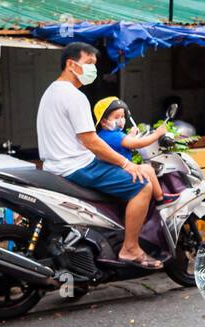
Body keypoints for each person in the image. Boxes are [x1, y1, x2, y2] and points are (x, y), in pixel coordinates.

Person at [36, 42, 163, 268]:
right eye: (89, 63)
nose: (93, 69)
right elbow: (91, 141)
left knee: (140, 171)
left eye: (95, 64)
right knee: (142, 184)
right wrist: (126, 163)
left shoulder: (50, 92)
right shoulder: (74, 96)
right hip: (78, 167)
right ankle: (130, 249)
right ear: (71, 64)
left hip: (54, 166)